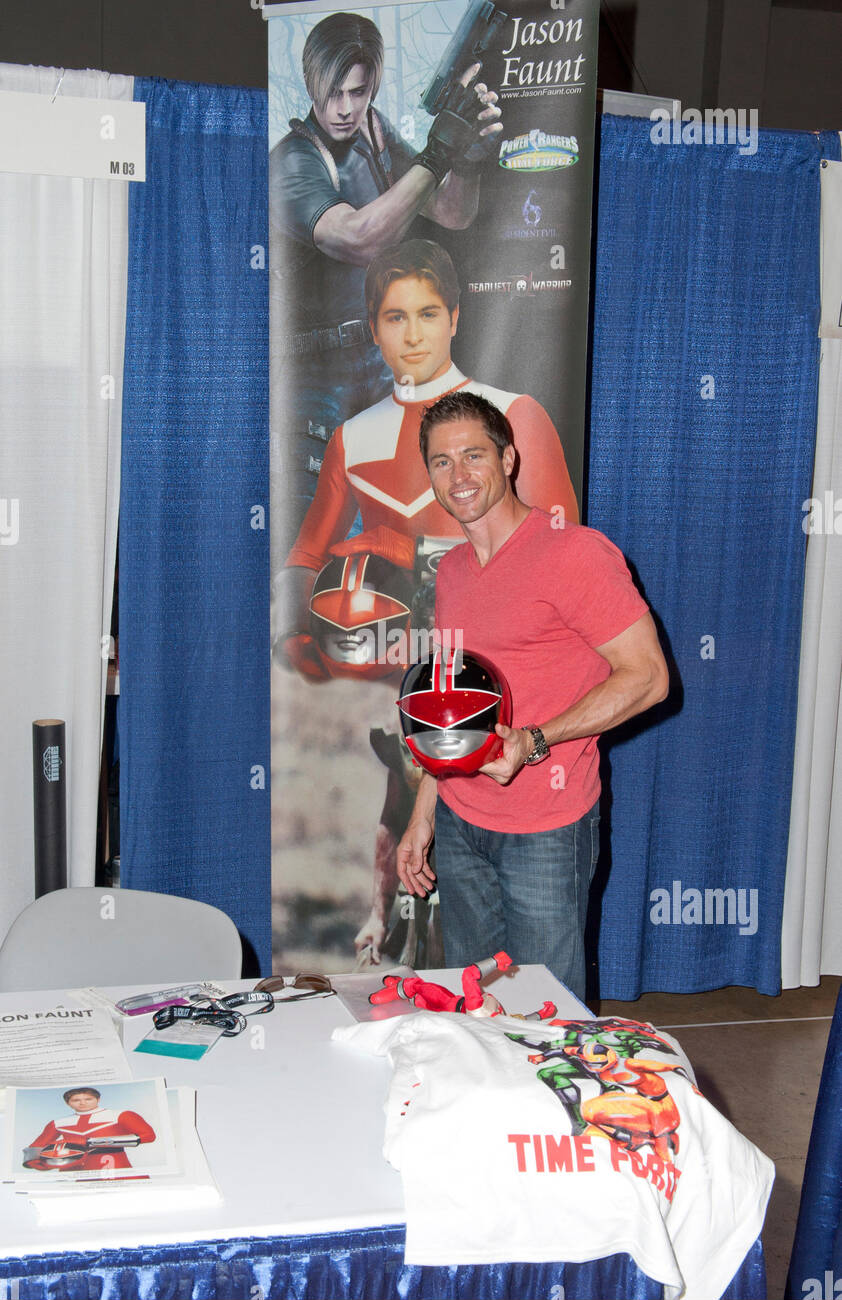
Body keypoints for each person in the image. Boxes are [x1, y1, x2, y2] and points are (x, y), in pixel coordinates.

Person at [395, 392, 669, 1001]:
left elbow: (649, 678)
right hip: (462, 823)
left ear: (510, 457)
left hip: (547, 826)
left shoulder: (575, 554)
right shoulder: (454, 571)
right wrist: (423, 814)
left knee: (550, 1016)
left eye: (473, 455)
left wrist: (537, 740)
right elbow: (453, 706)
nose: (459, 476)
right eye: (441, 462)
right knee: (481, 1003)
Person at [273, 238, 578, 680]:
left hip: (501, 666)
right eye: (396, 318)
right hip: (388, 680)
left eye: (428, 314)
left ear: (454, 318)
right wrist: (291, 628)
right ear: (373, 329)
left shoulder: (515, 414)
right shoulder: (350, 437)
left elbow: (561, 556)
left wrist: (417, 553)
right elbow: (305, 555)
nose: (413, 336)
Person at [269, 12, 503, 552]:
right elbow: (356, 238)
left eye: (358, 91)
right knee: (321, 539)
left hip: (382, 364)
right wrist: (438, 153)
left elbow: (450, 211)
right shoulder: (294, 160)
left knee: (405, 527)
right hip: (315, 374)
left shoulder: (374, 132)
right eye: (333, 93)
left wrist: (465, 160)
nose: (345, 108)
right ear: (310, 84)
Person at [23, 1087, 156, 1172]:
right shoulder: (58, 1123)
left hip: (112, 1165)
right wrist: (37, 1162)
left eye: (88, 1099)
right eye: (76, 1100)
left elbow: (148, 1136)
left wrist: (89, 1142)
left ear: (98, 1099)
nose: (82, 1103)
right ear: (68, 1103)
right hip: (72, 1170)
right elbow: (35, 1148)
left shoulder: (120, 1115)